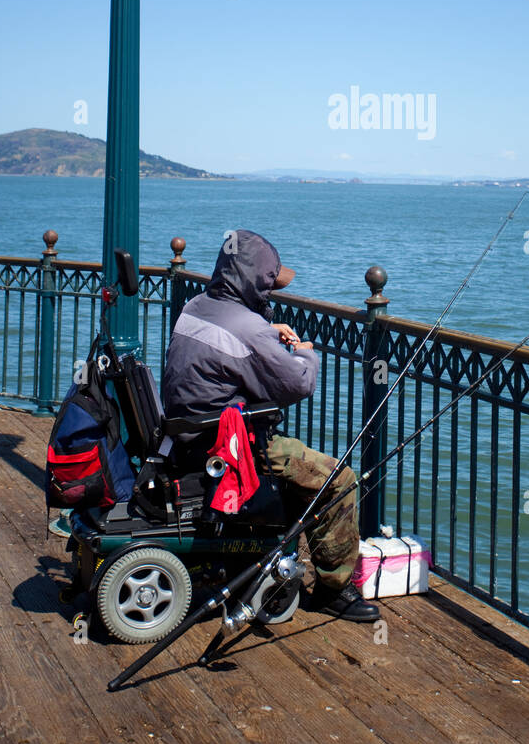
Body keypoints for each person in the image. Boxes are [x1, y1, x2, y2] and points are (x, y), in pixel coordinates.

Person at [161, 229, 379, 623]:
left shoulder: (196, 305)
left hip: (186, 436)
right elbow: (297, 383)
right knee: (341, 480)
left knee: (303, 472)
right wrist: (306, 354)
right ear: (252, 281)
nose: (271, 291)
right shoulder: (247, 329)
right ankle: (335, 590)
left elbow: (231, 347)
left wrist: (264, 329)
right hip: (229, 447)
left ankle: (278, 553)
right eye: (268, 283)